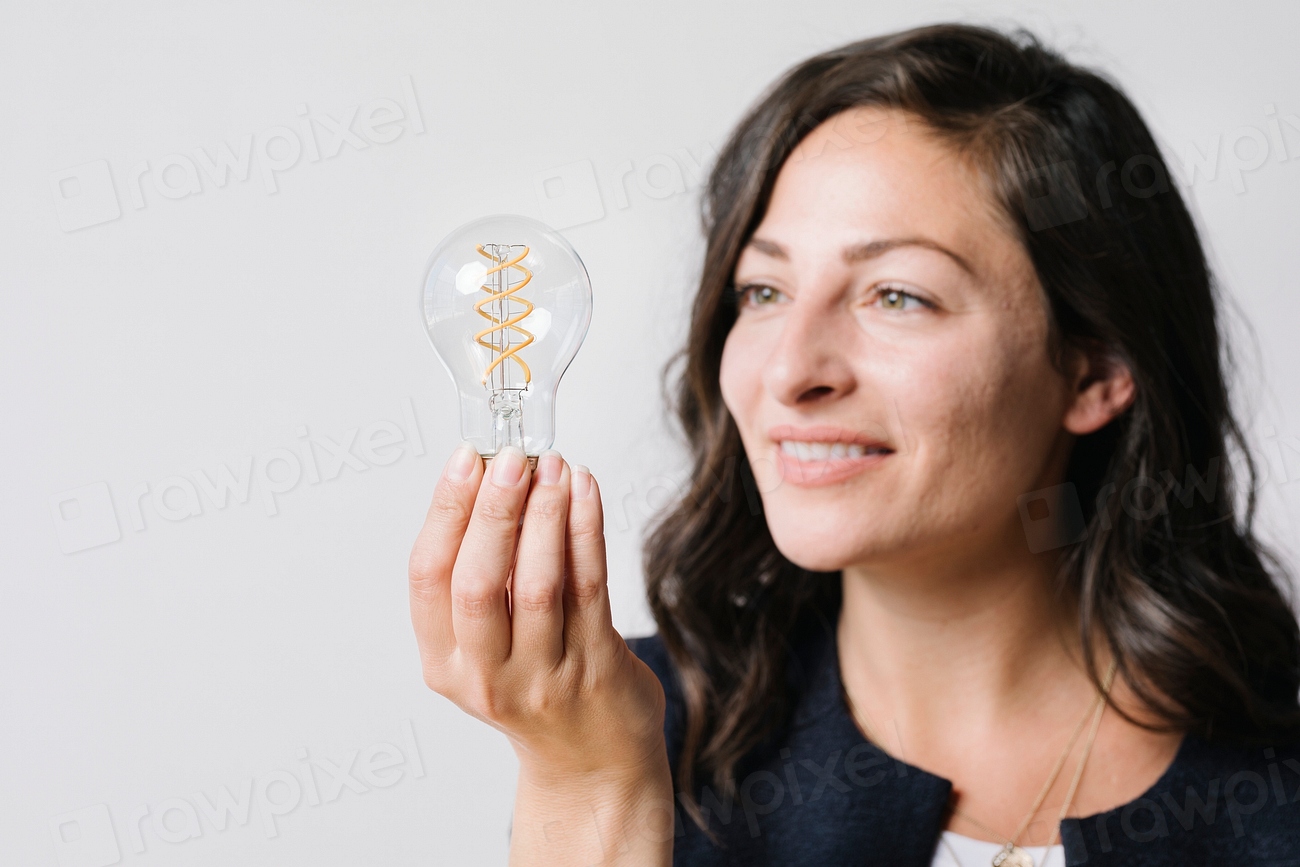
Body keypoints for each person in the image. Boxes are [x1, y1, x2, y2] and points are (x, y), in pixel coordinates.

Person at [407, 23, 1300, 866]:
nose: (792, 370)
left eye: (898, 295)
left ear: (1094, 367)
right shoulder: (635, 727)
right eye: (762, 292)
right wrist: (592, 786)